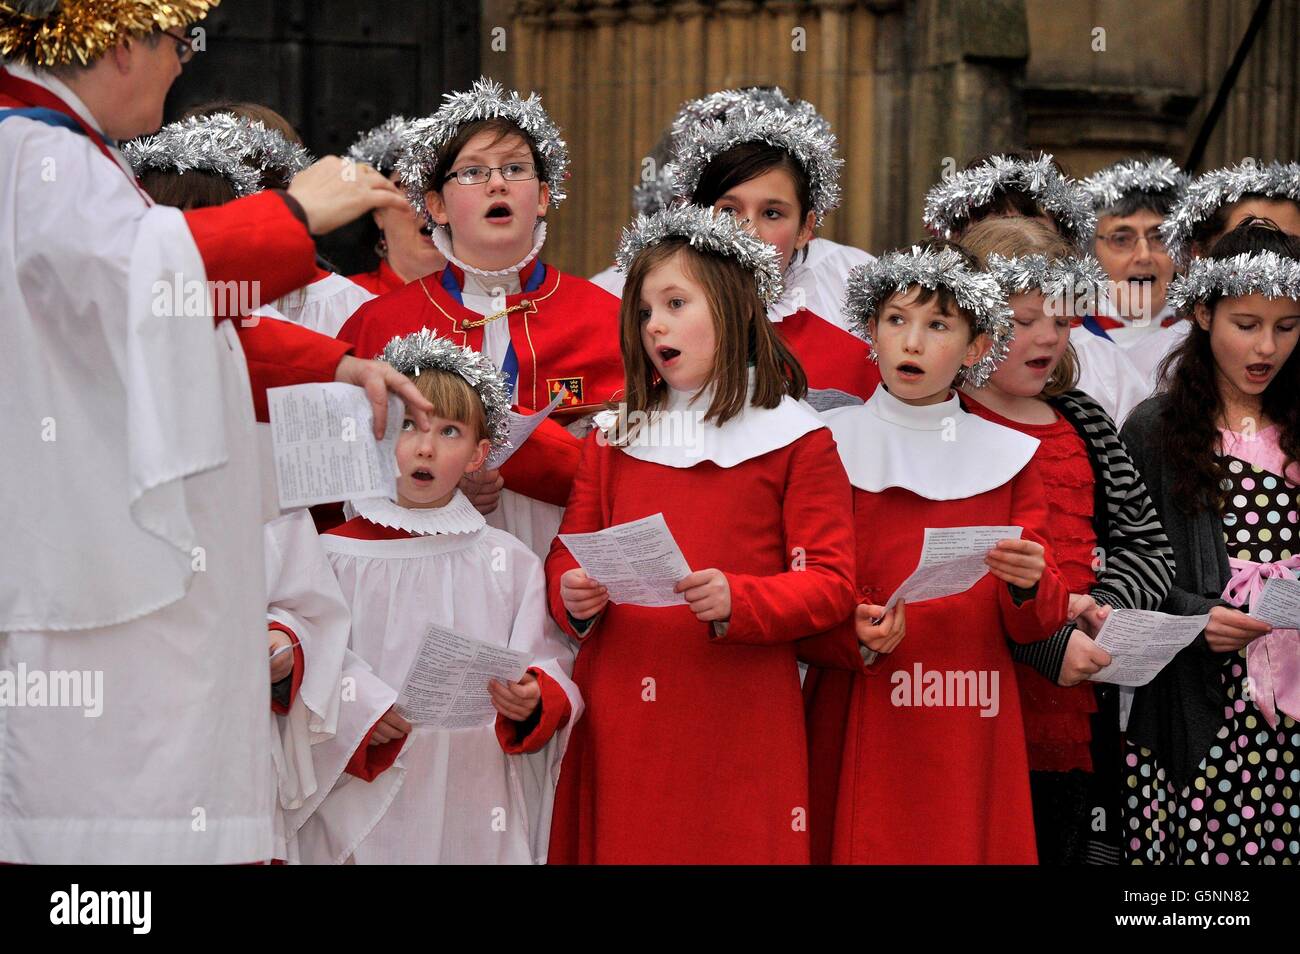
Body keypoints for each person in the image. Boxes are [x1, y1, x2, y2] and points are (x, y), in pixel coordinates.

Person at [0, 0, 429, 864]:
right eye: (180, 41)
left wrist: (332, 365)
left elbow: (162, 311)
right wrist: (294, 215)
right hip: (92, 581)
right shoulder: (32, 153)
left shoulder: (63, 154)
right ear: (120, 41)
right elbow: (145, 280)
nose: (186, 64)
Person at [546, 205, 856, 863]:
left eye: (675, 302)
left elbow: (830, 586)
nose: (653, 323)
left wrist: (742, 601)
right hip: (624, 708)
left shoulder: (796, 438)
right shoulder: (616, 435)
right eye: (643, 310)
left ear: (737, 307)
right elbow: (569, 549)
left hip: (738, 715)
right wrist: (570, 593)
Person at [801, 240, 1069, 864]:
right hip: (857, 696)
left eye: (938, 324)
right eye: (897, 320)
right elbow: (796, 580)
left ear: (976, 348)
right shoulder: (823, 443)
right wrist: (848, 632)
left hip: (967, 715)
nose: (912, 342)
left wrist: (1030, 582)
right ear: (872, 331)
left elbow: (1034, 617)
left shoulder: (1009, 456)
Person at [290, 331, 581, 863]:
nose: (425, 447)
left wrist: (534, 697)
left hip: (475, 784)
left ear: (479, 455)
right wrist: (360, 713)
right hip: (369, 781)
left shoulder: (508, 560)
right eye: (408, 426)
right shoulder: (330, 555)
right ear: (375, 436)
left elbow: (548, 658)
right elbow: (306, 653)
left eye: (449, 431)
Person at [957, 218, 1176, 864]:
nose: (1047, 336)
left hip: (1080, 711)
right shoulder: (950, 419)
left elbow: (1146, 545)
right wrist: (1049, 638)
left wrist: (1100, 609)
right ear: (974, 323)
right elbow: (956, 565)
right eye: (1024, 320)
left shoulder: (1082, 419)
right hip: (980, 711)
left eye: (1059, 317)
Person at [337, 77, 624, 559]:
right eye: (472, 172)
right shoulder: (379, 323)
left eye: (515, 168)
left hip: (573, 570)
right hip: (426, 566)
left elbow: (647, 465)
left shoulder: (606, 317)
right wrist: (432, 493)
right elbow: (338, 470)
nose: (497, 182)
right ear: (435, 207)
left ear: (543, 197)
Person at [1119, 218, 1300, 864]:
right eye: (1246, 324)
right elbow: (1124, 570)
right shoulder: (1157, 430)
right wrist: (1200, 620)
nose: (1266, 348)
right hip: (1201, 709)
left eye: (1286, 326)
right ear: (1202, 312)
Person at [669, 90, 881, 398]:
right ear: (697, 217)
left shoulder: (851, 356)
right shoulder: (654, 328)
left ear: (804, 229)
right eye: (729, 210)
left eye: (771, 213)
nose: (748, 230)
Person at [1146, 159, 1300, 389]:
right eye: (1251, 239)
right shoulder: (1150, 363)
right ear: (1199, 257)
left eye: (1289, 245)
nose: (1271, 256)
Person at [345, 115, 446, 294]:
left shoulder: (496, 301)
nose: (430, 201)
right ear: (378, 214)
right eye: (411, 185)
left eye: (440, 184)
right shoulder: (343, 301)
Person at [923, 149, 1096, 248]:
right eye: (992, 223)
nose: (1015, 233)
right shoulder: (925, 310)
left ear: (1065, 239)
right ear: (956, 237)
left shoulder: (1084, 311)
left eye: (1030, 222)